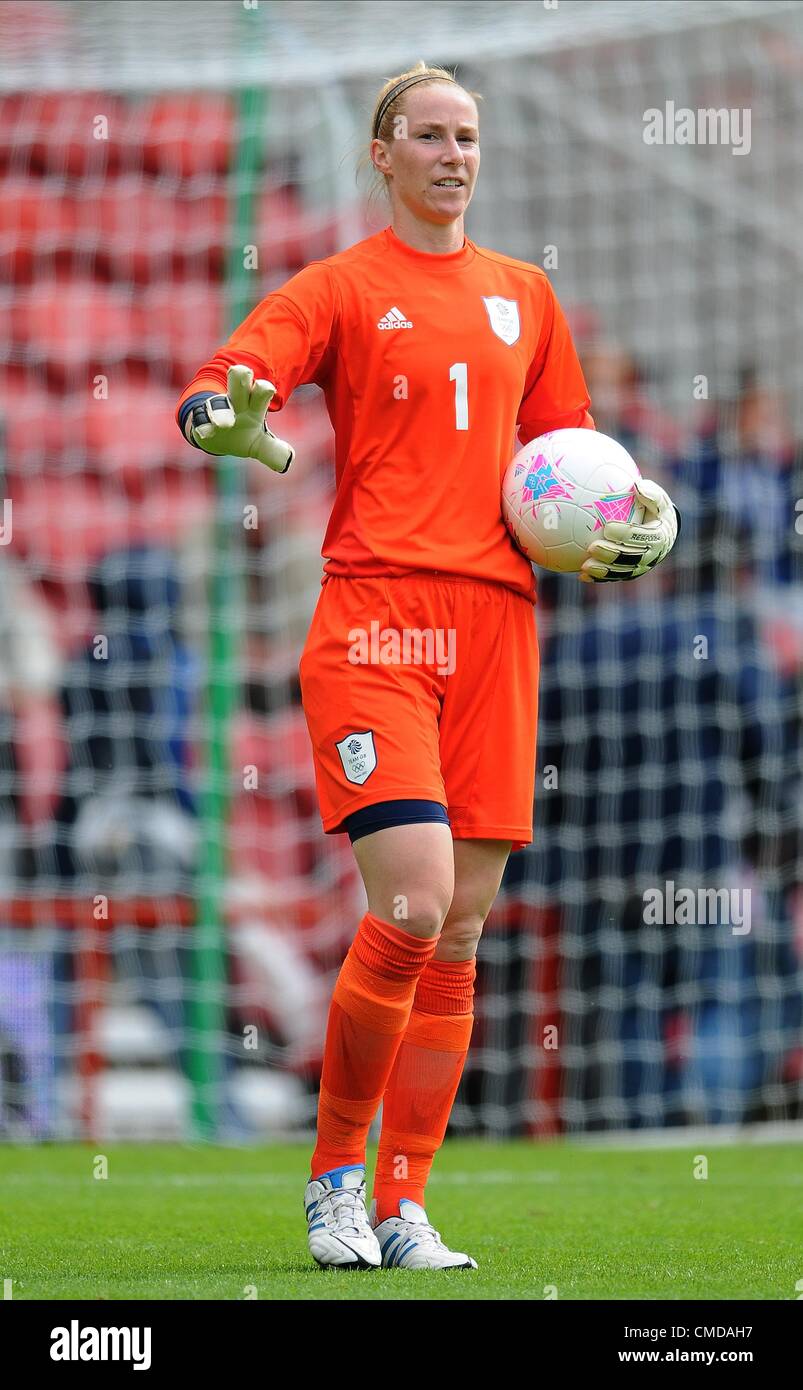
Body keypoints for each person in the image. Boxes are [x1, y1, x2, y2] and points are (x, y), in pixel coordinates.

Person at [176, 62, 678, 1272]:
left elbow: (567, 460)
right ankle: (332, 1187)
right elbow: (215, 392)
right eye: (429, 136)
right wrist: (228, 420)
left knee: (455, 933)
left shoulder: (525, 296)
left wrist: (620, 525)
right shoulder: (340, 288)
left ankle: (401, 1203)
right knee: (405, 904)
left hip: (497, 628)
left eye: (467, 137)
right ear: (381, 152)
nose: (453, 155)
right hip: (375, 624)